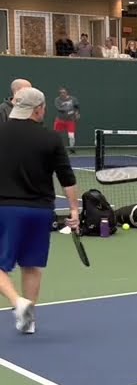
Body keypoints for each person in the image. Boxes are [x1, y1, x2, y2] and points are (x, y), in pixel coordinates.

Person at [0, 87, 79, 335]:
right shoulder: (51, 138)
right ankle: (29, 320)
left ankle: (18, 302)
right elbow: (67, 179)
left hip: (6, 210)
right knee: (32, 265)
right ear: (38, 109)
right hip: (40, 211)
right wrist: (75, 210)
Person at [52, 87, 80, 153]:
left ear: (67, 92)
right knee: (56, 135)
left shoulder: (73, 99)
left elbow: (77, 107)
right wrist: (70, 111)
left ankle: (72, 149)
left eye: (63, 92)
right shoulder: (57, 100)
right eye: (61, 93)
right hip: (60, 120)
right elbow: (60, 109)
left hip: (70, 121)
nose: (62, 94)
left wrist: (77, 113)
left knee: (71, 136)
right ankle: (56, 148)